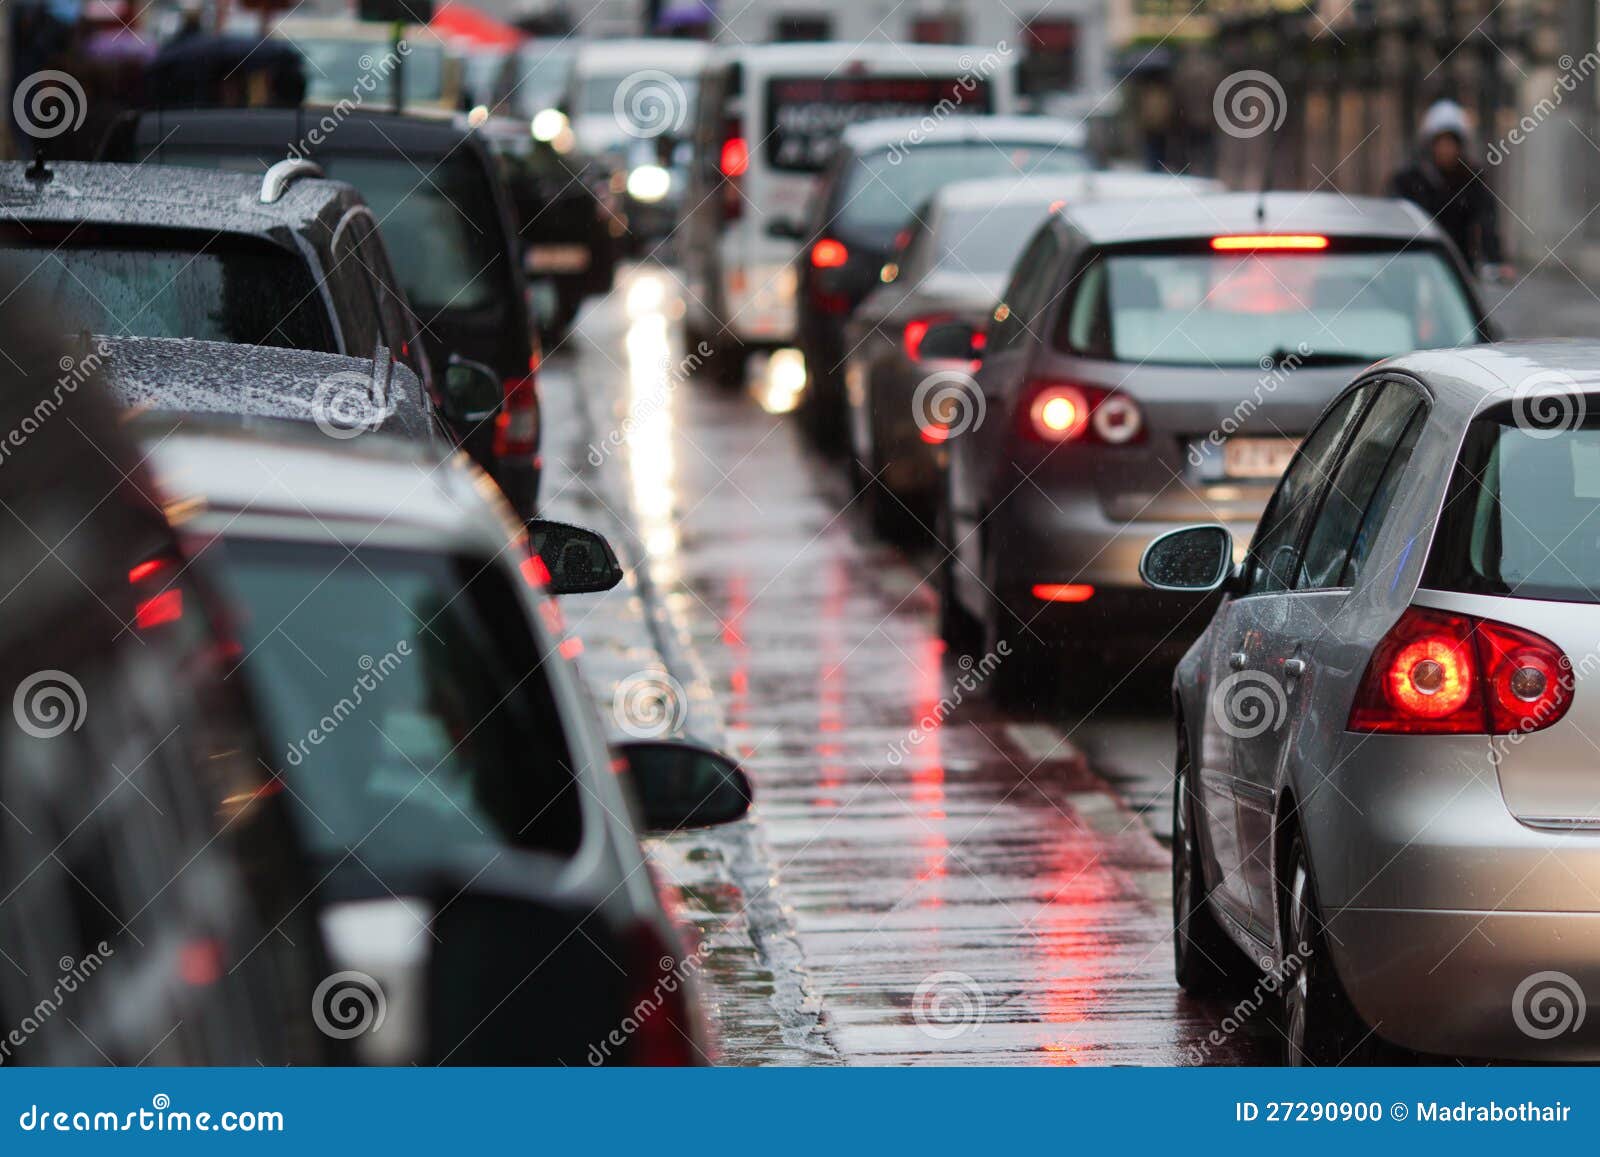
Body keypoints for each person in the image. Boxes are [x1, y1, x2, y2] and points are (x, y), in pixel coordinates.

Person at [1390, 99, 1513, 280]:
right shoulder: (1409, 180)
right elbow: (1397, 220)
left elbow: (1486, 221)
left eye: (1451, 142)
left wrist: (1495, 259)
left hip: (1459, 270)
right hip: (1416, 266)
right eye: (1441, 142)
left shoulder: (1472, 180)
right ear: (1430, 144)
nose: (1446, 150)